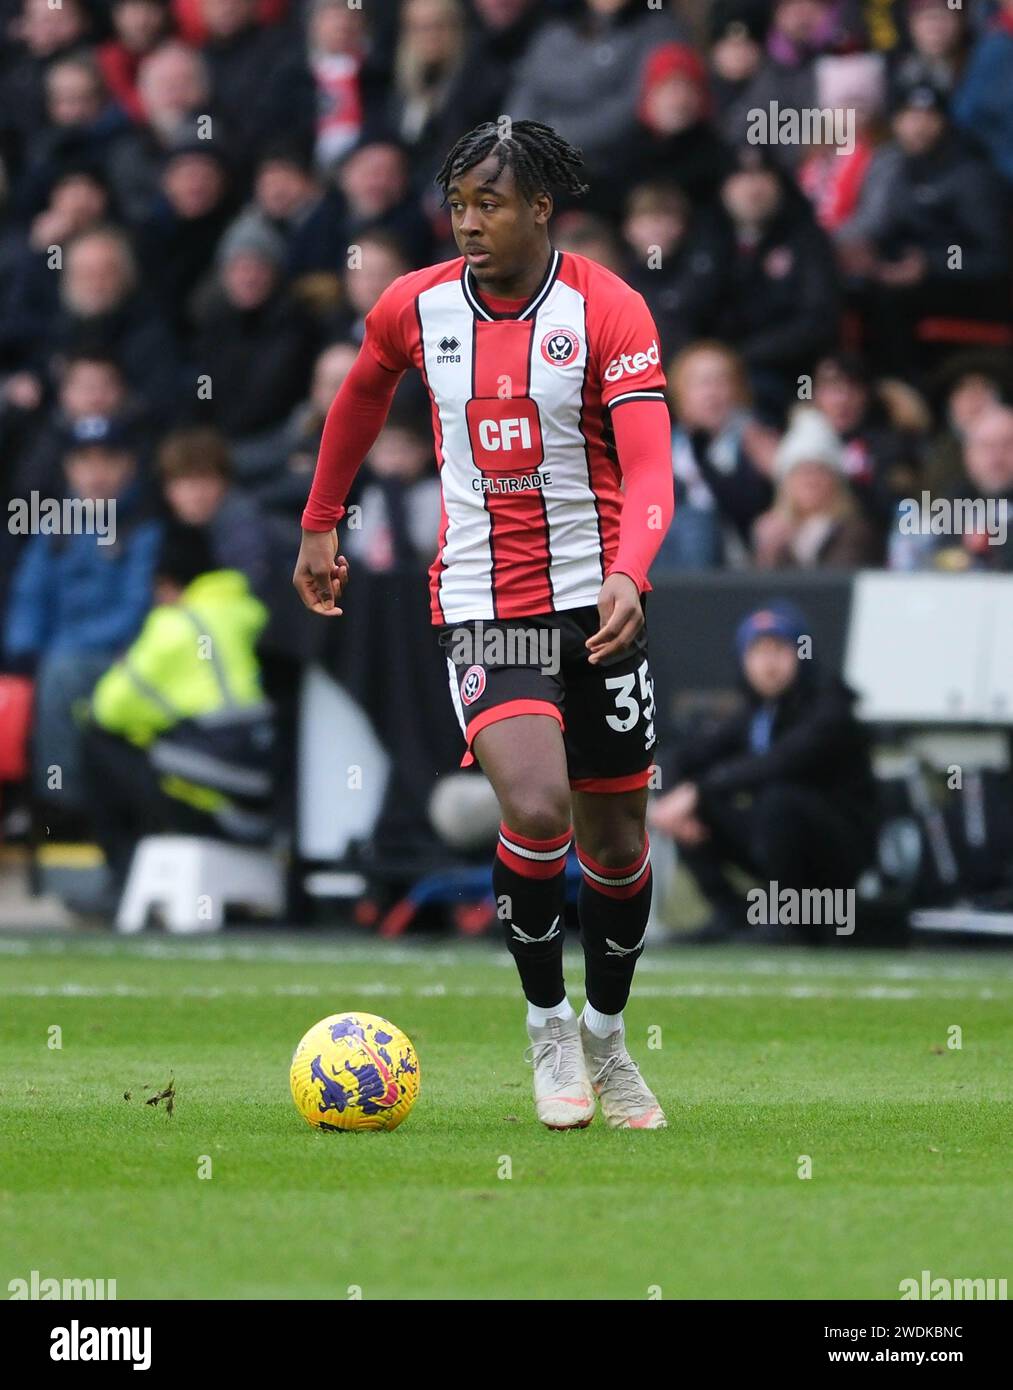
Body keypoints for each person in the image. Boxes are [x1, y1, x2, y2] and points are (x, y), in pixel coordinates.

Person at [295, 120, 675, 1131]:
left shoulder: (607, 308)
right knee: (540, 808)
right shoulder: (413, 306)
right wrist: (320, 520)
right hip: (482, 602)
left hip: (597, 600)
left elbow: (647, 466)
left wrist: (631, 573)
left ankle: (606, 1033)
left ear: (541, 209)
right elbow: (360, 394)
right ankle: (546, 1024)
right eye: (457, 204)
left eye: (490, 204)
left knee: (616, 836)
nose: (467, 222)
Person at [649, 601, 877, 942]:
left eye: (779, 650)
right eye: (757, 651)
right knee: (698, 806)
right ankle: (730, 912)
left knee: (777, 801)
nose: (768, 663)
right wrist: (669, 798)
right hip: (773, 838)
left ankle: (793, 921)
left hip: (838, 849)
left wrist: (697, 791)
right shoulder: (756, 714)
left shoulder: (830, 708)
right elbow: (681, 756)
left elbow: (781, 762)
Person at [84, 527, 274, 894]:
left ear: (167, 586)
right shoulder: (248, 612)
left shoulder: (172, 625)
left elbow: (108, 709)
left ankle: (122, 879)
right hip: (267, 791)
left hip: (215, 804)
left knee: (96, 743)